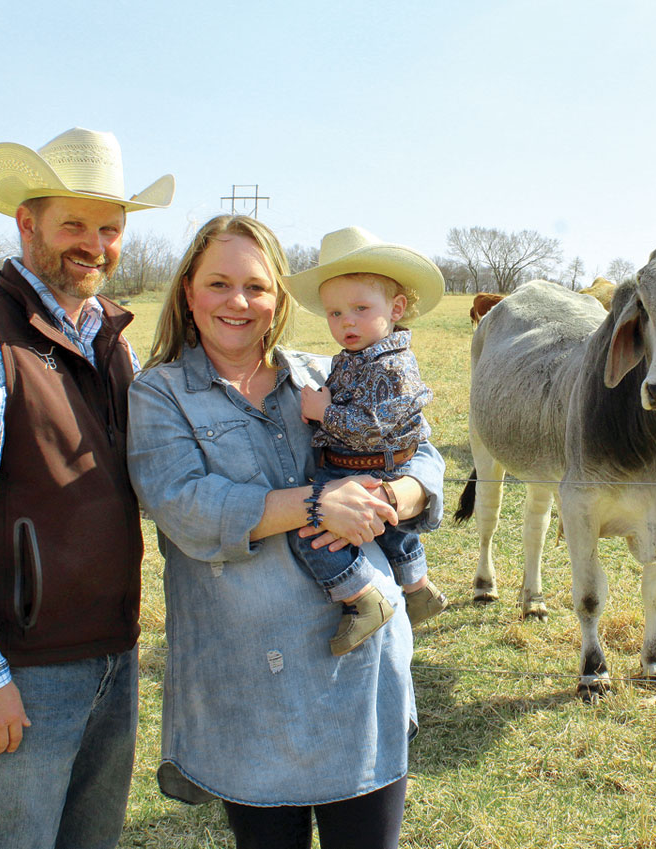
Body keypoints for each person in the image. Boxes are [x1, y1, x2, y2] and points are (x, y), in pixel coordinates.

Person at [126, 215, 445, 849]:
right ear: (188, 291)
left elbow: (423, 455)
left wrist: (393, 495)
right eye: (219, 283)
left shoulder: (324, 374)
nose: (238, 302)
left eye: (257, 286)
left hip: (362, 673)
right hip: (252, 685)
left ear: (278, 299)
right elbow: (185, 505)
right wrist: (319, 502)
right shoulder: (161, 394)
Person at [0, 127, 173, 848]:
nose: (95, 244)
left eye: (110, 228)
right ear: (28, 224)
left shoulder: (113, 344)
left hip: (111, 659)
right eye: (74, 224)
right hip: (19, 671)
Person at [284, 226, 448, 655]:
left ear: (395, 309)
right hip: (366, 464)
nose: (346, 322)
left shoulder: (392, 365)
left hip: (368, 466)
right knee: (392, 535)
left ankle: (362, 598)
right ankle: (418, 589)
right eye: (335, 313)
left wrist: (325, 412)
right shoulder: (357, 358)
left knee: (314, 530)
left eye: (360, 307)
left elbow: (376, 426)